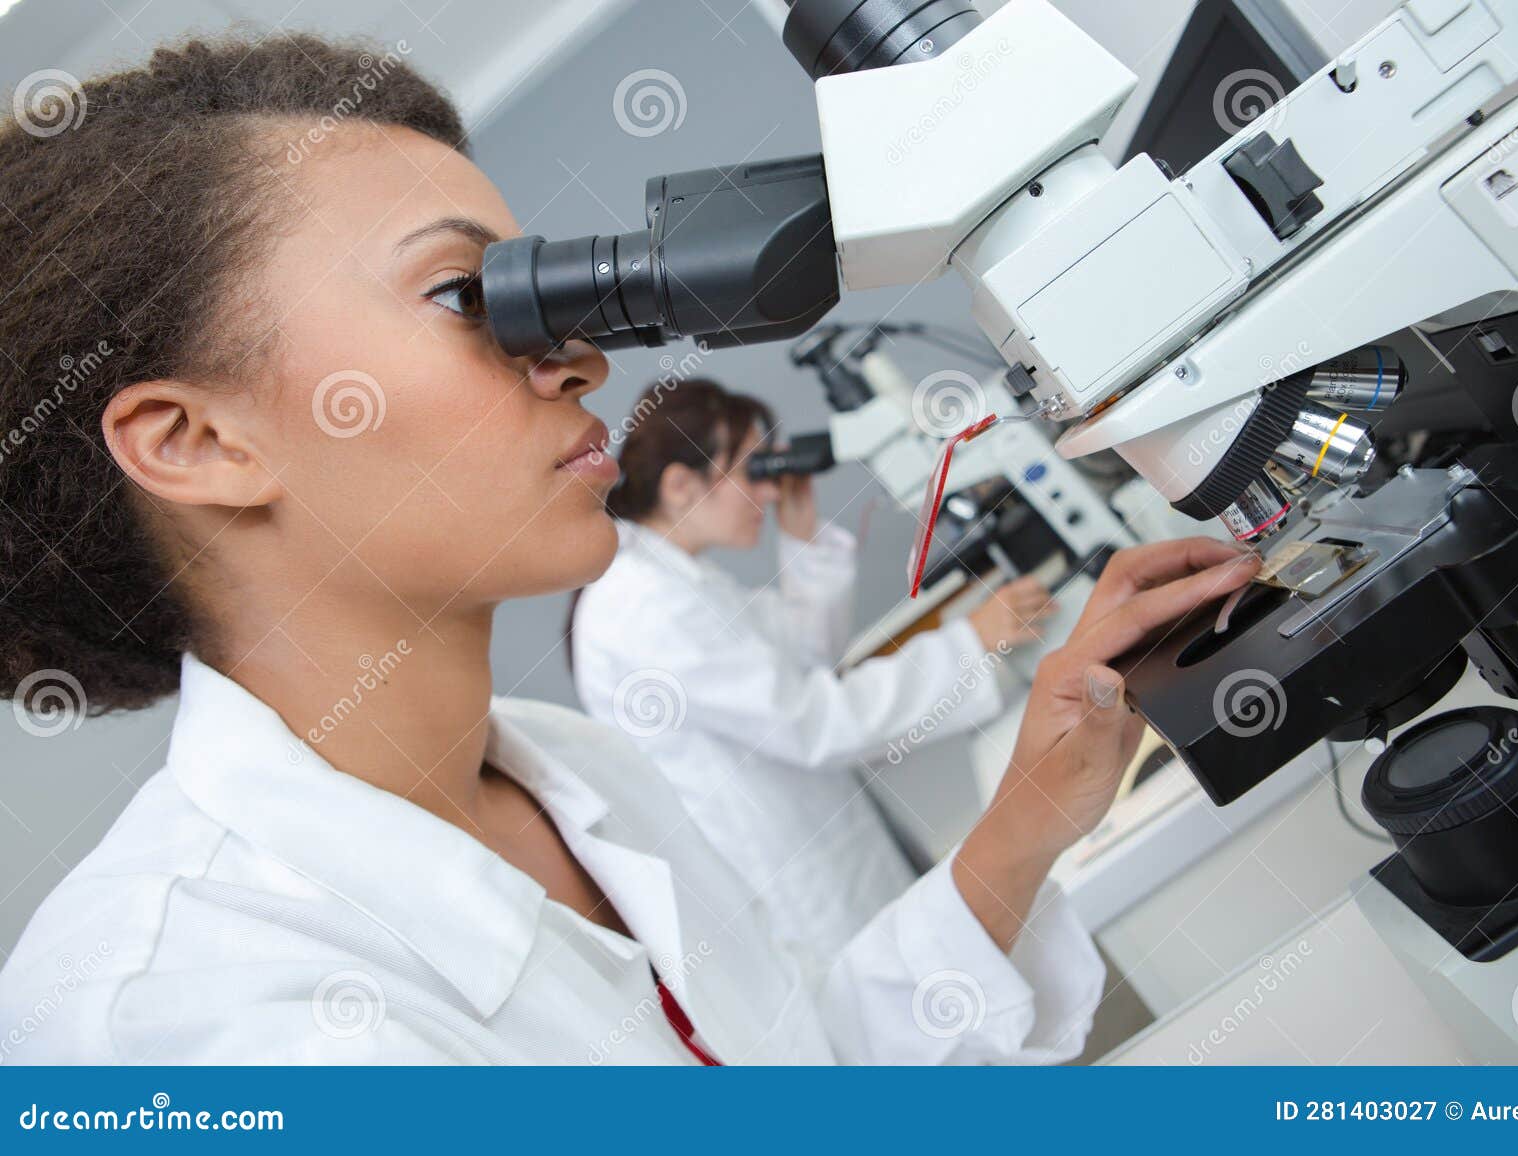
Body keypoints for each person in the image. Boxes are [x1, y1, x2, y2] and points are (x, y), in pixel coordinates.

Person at [0, 36, 1260, 1064]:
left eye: (528, 281)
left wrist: (1034, 804)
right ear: (195, 440)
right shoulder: (177, 1022)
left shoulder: (584, 777)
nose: (582, 354)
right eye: (461, 294)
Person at [571, 377, 1056, 974]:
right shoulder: (643, 604)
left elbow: (801, 661)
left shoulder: (676, 582)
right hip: (798, 891)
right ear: (680, 485)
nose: (769, 491)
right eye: (753, 471)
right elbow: (815, 720)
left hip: (826, 851)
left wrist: (801, 531)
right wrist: (968, 643)